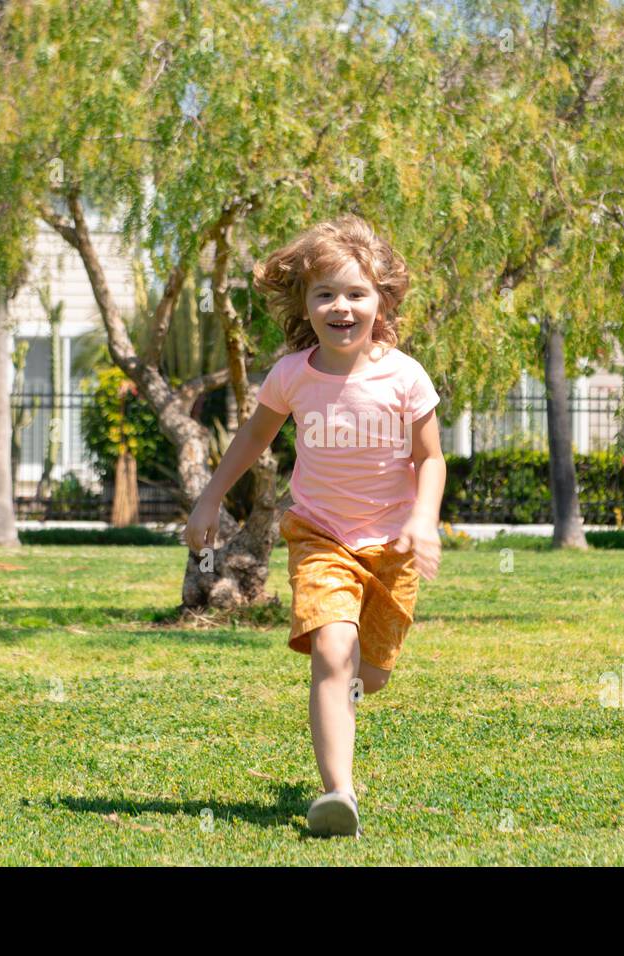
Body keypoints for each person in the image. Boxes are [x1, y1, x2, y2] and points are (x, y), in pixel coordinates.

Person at [183, 213, 446, 838]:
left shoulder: (406, 376)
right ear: (305, 303)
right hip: (320, 535)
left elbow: (430, 458)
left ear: (381, 299)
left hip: (391, 545)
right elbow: (252, 439)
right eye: (325, 293)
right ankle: (338, 794)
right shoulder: (292, 375)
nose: (341, 307)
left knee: (368, 674)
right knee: (331, 652)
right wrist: (210, 499)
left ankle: (346, 700)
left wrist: (424, 519)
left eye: (356, 293)